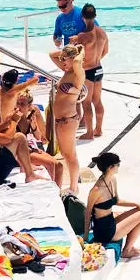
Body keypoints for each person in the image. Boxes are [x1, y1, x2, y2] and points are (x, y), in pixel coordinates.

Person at [87, 151, 140, 259]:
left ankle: (129, 247)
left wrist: (136, 204)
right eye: (118, 165)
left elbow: (117, 201)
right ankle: (127, 250)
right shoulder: (96, 190)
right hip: (104, 231)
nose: (119, 167)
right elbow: (87, 213)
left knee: (139, 210)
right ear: (111, 167)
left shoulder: (112, 180)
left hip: (110, 221)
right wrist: (86, 236)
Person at [47, 44, 86, 191]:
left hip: (67, 120)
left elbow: (76, 62)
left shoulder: (78, 73)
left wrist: (80, 53)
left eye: (65, 58)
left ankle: (74, 187)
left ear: (73, 58)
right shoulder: (67, 70)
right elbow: (52, 54)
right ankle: (73, 185)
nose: (62, 61)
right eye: (62, 58)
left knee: (70, 155)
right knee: (65, 154)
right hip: (60, 120)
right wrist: (68, 52)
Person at [72, 4, 109, 138]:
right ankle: (98, 129)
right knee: (97, 101)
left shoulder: (82, 36)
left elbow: (76, 56)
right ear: (95, 16)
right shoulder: (102, 32)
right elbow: (106, 51)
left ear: (82, 17)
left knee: (86, 103)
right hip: (99, 68)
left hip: (88, 71)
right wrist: (96, 59)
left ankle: (89, 133)